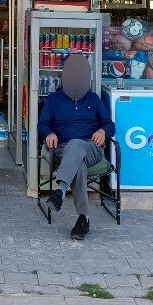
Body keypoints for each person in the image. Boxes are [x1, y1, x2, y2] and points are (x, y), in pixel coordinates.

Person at [38, 55, 115, 240]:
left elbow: (110, 125)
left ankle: (60, 191)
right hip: (63, 149)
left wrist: (103, 131)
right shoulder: (54, 99)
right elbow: (42, 124)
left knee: (77, 144)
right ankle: (83, 218)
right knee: (76, 161)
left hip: (91, 148)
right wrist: (49, 133)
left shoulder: (93, 99)